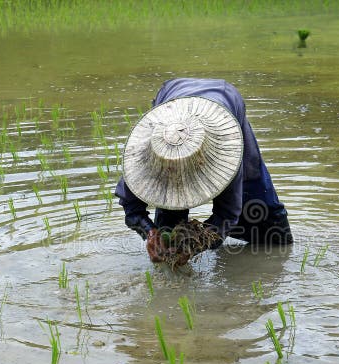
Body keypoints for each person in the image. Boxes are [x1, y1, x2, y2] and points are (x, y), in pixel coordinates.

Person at [115, 78, 292, 264]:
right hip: (171, 101)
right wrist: (150, 233)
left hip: (224, 102)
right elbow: (131, 206)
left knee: (254, 196)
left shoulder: (226, 151)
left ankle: (275, 249)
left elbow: (228, 214)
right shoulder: (147, 154)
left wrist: (195, 243)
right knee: (168, 227)